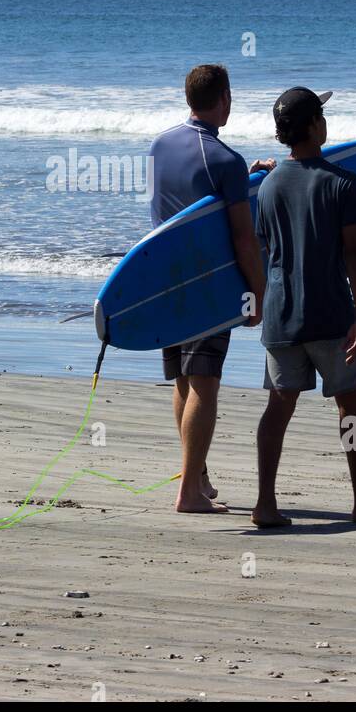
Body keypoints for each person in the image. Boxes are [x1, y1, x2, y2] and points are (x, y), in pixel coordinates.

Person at [251, 86, 356, 527]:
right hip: (333, 314)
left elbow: (267, 246)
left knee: (279, 407)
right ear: (316, 125)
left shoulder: (267, 186)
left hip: (282, 316)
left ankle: (264, 503)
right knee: (350, 406)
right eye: (322, 114)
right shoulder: (343, 183)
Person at [148, 64, 273, 513]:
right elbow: (243, 237)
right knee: (206, 381)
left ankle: (195, 479)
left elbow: (187, 201)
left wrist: (248, 177)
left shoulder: (160, 145)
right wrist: (257, 292)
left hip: (162, 280)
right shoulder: (225, 160)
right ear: (223, 98)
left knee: (183, 378)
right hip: (206, 284)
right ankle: (188, 494)